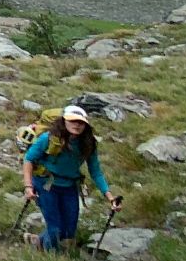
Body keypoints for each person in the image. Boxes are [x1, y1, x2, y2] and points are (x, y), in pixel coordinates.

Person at [22, 103, 120, 251]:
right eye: (73, 121)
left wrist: (110, 197)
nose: (77, 125)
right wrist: (28, 187)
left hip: (69, 187)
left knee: (68, 232)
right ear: (64, 121)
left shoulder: (88, 144)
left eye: (81, 122)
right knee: (55, 229)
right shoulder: (48, 138)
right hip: (46, 184)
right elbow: (28, 159)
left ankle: (38, 242)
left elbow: (96, 171)